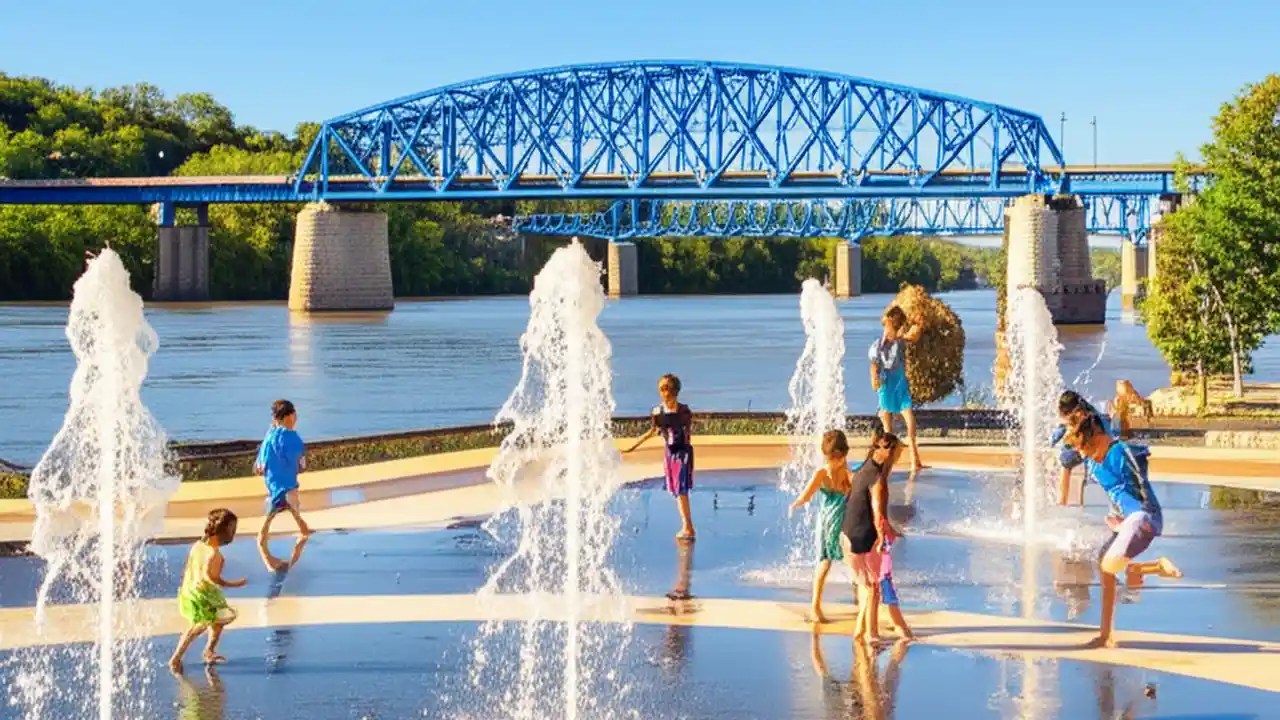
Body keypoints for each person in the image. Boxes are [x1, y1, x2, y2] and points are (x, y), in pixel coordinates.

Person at [1065, 414, 1182, 649]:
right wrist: (1118, 518)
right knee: (1104, 567)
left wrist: (1142, 516)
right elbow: (1114, 493)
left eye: (1087, 447)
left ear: (1099, 437)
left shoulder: (1121, 452)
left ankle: (1152, 566)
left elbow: (1141, 485)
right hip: (1127, 521)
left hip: (1144, 516)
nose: (1086, 454)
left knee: (1111, 563)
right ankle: (1105, 634)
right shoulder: (1091, 463)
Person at [841, 428, 906, 644]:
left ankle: (861, 631)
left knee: (867, 585)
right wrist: (882, 538)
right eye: (898, 454)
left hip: (847, 535)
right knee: (872, 587)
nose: (898, 459)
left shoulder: (863, 470)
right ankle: (872, 634)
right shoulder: (878, 479)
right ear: (889, 451)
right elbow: (878, 514)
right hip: (860, 538)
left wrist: (889, 529)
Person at [788, 429, 854, 623]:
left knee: (825, 560)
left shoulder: (822, 472)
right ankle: (863, 599)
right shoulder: (846, 472)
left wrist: (795, 504)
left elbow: (806, 495)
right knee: (850, 558)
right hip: (841, 517)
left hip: (828, 519)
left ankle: (815, 606)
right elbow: (854, 493)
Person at [169, 509, 246, 673]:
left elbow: (191, 567)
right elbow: (211, 577)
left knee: (218, 623)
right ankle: (175, 658)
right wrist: (234, 584)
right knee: (198, 626)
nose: (234, 534)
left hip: (192, 589)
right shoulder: (214, 554)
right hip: (202, 595)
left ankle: (209, 651)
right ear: (222, 530)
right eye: (232, 530)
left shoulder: (198, 545)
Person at [625, 374, 696, 541]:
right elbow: (653, 431)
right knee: (678, 491)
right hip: (670, 453)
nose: (665, 393)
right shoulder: (657, 412)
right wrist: (634, 446)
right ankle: (687, 525)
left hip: (682, 453)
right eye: (663, 390)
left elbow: (687, 433)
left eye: (668, 390)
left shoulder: (684, 410)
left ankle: (688, 526)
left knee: (681, 489)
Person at [254, 399, 311, 571]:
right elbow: (300, 462)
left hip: (273, 482)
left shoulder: (270, 434)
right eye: (294, 414)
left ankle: (267, 543)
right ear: (289, 416)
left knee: (279, 510)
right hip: (287, 482)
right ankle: (267, 544)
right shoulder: (290, 437)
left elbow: (260, 462)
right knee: (290, 509)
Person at [869, 306, 925, 473]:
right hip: (890, 382)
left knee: (901, 417)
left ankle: (909, 457)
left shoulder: (897, 340)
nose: (885, 325)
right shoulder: (882, 344)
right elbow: (873, 364)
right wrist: (874, 377)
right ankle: (895, 459)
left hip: (895, 382)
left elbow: (913, 335)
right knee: (891, 421)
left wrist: (874, 378)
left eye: (888, 323)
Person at [1052, 390, 1113, 506]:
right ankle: (1062, 500)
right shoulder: (1083, 414)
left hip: (1094, 443)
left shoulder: (1087, 417)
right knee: (1066, 462)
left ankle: (1062, 500)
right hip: (1092, 442)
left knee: (1067, 463)